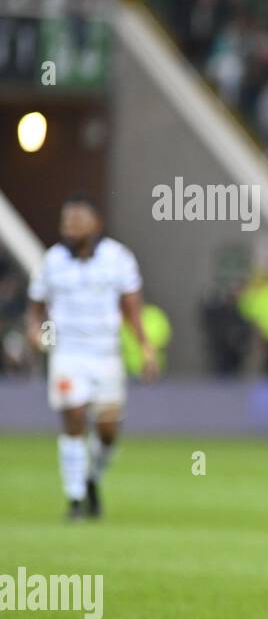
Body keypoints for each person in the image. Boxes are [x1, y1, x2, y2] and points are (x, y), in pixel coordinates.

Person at [25, 195, 157, 520]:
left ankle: (91, 478)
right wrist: (35, 332)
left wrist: (145, 347)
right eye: (66, 221)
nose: (71, 227)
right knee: (74, 418)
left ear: (95, 224)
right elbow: (36, 309)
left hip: (106, 353)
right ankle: (74, 500)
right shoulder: (52, 261)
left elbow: (131, 309)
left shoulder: (118, 258)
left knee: (108, 430)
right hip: (68, 352)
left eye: (77, 221)